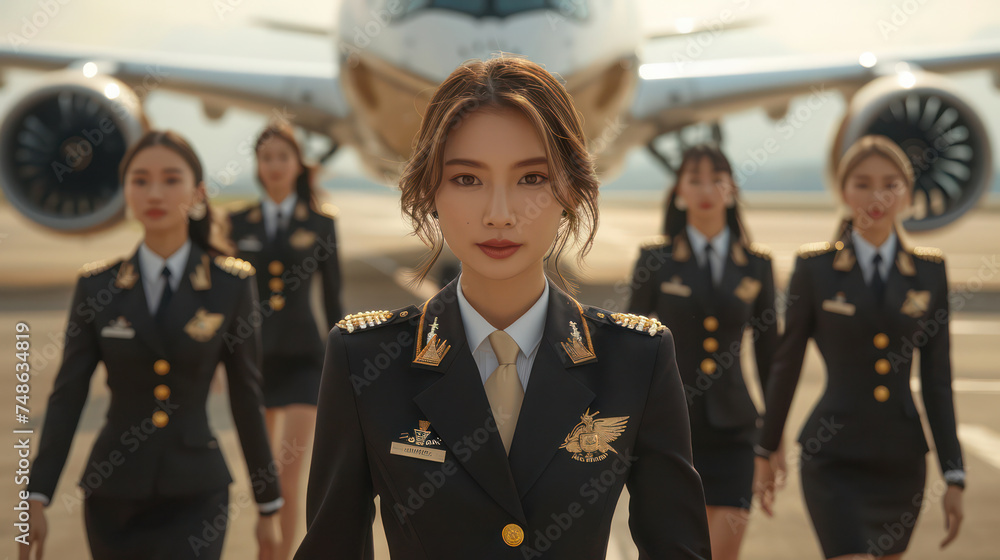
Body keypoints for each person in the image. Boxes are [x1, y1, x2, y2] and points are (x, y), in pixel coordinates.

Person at [293, 55, 711, 559]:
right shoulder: (364, 362)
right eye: (467, 179)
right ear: (430, 190)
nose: (499, 214)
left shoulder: (637, 360)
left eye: (531, 178)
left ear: (570, 190)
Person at [21, 130, 282, 560]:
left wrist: (268, 504)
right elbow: (67, 396)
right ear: (125, 193)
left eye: (170, 179)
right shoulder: (97, 287)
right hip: (113, 492)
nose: (154, 192)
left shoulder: (230, 285)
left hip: (197, 492)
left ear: (198, 194)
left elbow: (246, 396)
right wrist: (36, 496)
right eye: (139, 180)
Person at [753, 135, 965, 559]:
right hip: (833, 459)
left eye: (891, 184)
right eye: (863, 183)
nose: (877, 196)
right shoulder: (815, 269)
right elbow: (787, 363)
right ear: (843, 191)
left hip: (901, 461)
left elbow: (938, 380)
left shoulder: (929, 272)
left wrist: (953, 471)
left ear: (907, 193)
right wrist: (765, 448)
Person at [627, 144, 778, 560]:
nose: (706, 189)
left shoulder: (756, 264)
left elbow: (770, 357)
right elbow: (630, 345)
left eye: (717, 178)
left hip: (736, 432)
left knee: (723, 553)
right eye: (694, 179)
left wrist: (774, 440)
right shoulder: (655, 260)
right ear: (679, 191)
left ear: (732, 189)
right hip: (672, 429)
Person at [229, 122, 343, 560]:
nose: (274, 165)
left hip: (303, 360)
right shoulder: (237, 223)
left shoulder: (321, 223)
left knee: (289, 473)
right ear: (258, 166)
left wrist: (346, 363)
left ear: (298, 164)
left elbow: (334, 300)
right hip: (252, 362)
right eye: (266, 157)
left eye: (283, 156)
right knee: (264, 480)